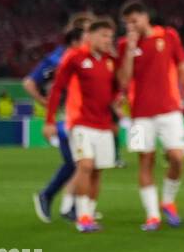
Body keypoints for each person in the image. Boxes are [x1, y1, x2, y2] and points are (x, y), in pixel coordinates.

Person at [117, 0, 184, 231]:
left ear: (145, 17)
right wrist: (131, 50)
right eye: (127, 23)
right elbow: (124, 80)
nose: (131, 26)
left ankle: (168, 200)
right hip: (138, 115)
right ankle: (152, 215)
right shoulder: (125, 45)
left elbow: (183, 70)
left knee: (177, 157)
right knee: (145, 161)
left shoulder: (169, 36)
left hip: (170, 109)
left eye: (134, 21)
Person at [43, 17, 120, 233]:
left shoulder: (110, 60)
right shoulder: (75, 57)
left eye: (110, 37)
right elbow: (57, 87)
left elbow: (114, 90)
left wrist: (116, 112)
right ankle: (83, 217)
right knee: (85, 165)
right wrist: (49, 121)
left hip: (103, 124)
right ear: (91, 36)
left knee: (97, 171)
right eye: (104, 36)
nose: (108, 40)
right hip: (81, 123)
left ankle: (89, 214)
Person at [25, 12, 92, 223]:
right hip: (65, 117)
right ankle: (51, 196)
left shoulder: (88, 56)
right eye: (89, 29)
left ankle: (69, 206)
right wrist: (45, 103)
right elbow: (29, 82)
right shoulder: (59, 57)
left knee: (79, 162)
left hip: (82, 116)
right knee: (77, 162)